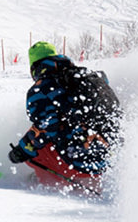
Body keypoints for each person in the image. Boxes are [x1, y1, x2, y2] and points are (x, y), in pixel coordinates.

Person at [8, 42, 121, 193]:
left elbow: (47, 128)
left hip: (82, 163)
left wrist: (20, 151)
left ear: (34, 67)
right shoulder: (89, 75)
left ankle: (47, 183)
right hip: (113, 158)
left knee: (34, 151)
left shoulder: (41, 89)